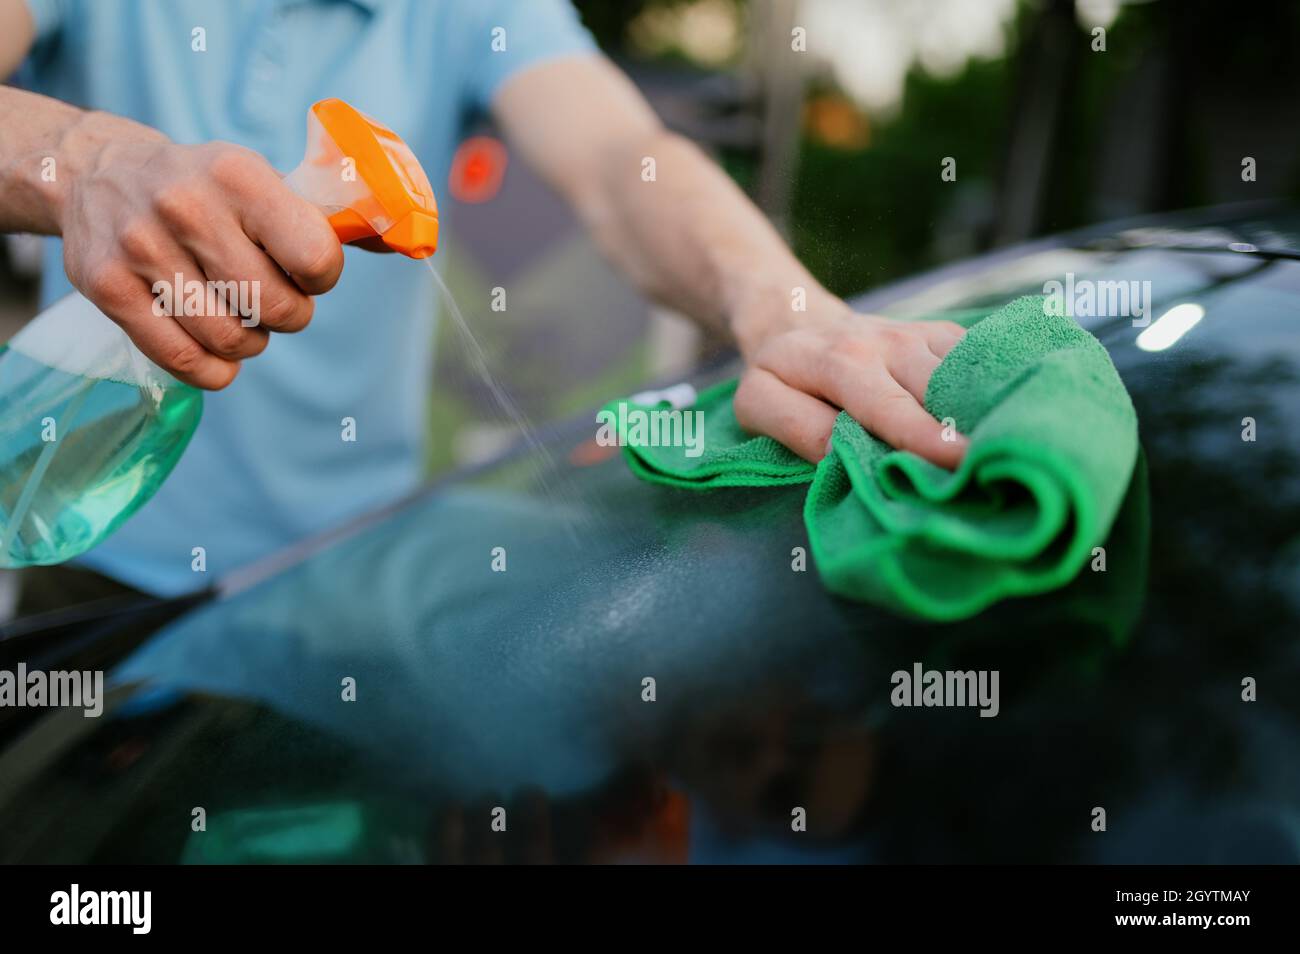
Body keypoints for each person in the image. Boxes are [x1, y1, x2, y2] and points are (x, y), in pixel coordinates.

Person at [0, 0, 966, 612]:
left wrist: (783, 305)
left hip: (351, 574)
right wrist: (83, 160)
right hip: (89, 547)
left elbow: (619, 164)